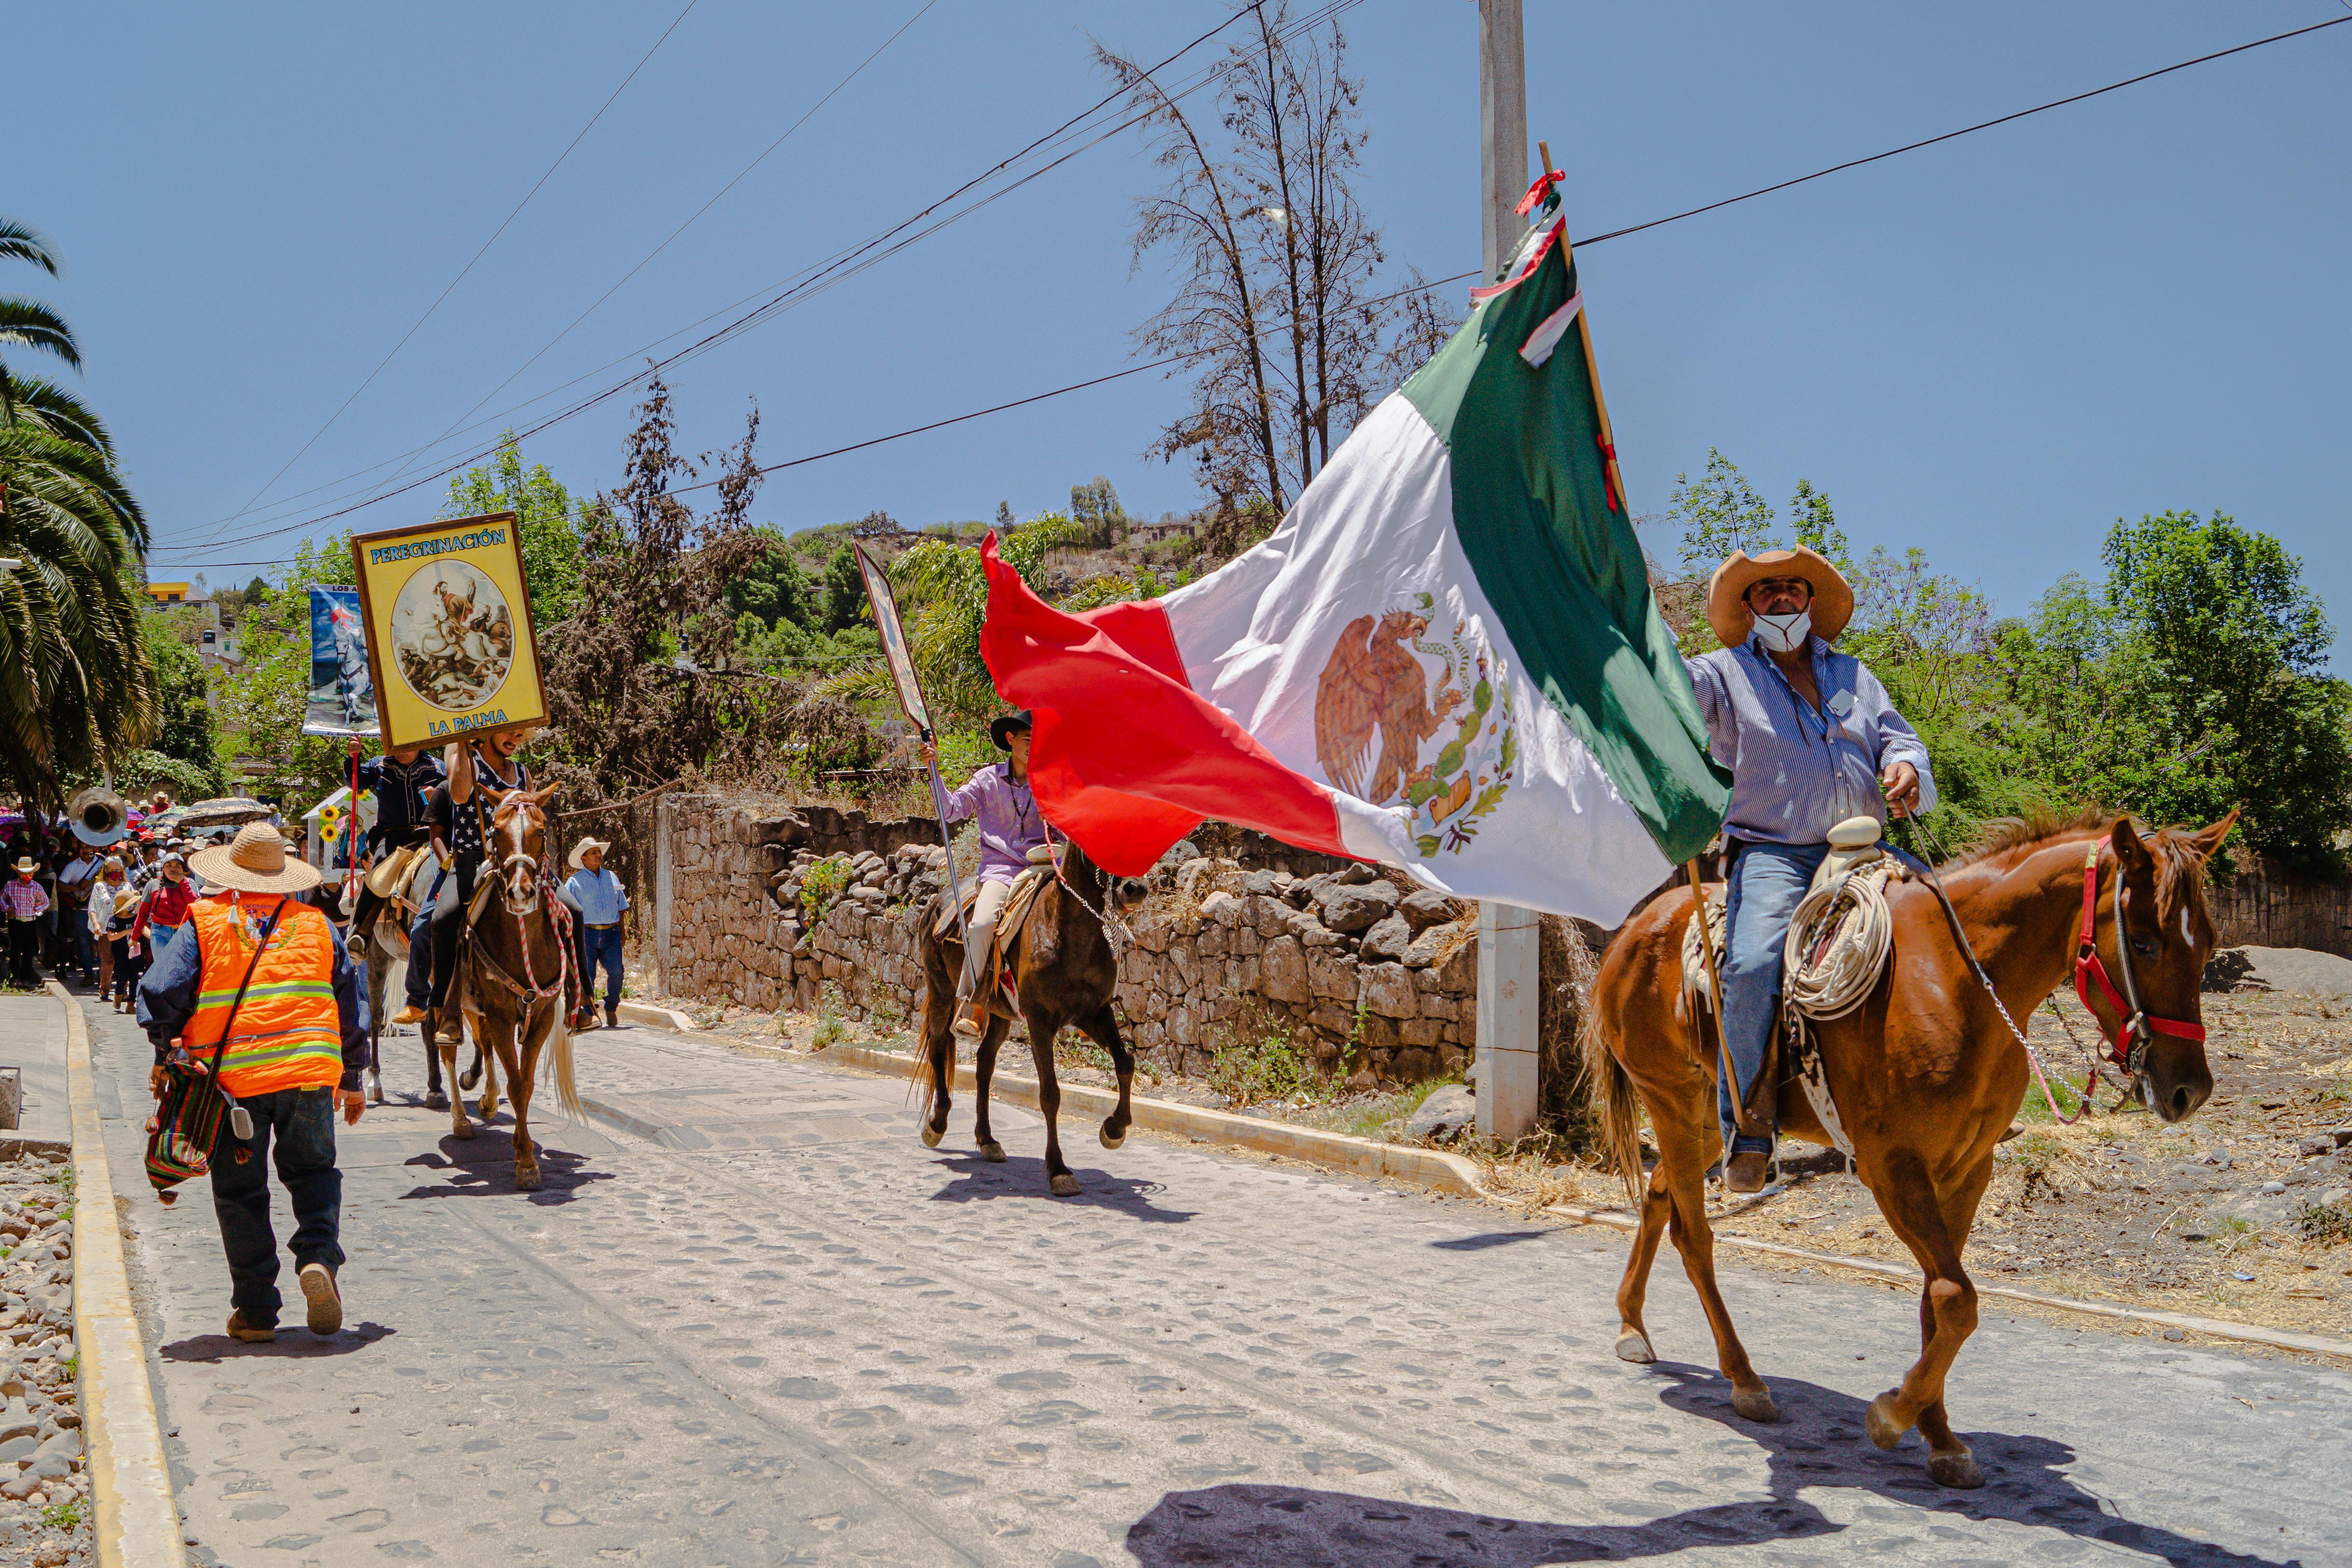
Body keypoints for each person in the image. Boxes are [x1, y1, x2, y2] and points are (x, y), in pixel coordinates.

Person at [1683, 547, 1937, 1194]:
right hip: (1774, 851)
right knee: (1750, 960)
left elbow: (1899, 738)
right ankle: (1746, 1131)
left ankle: (1941, 1086)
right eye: (1764, 592)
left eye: (1791, 589)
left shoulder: (1855, 674)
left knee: (1951, 921)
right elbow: (1673, 691)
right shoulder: (1722, 673)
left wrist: (1908, 767)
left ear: (1810, 600)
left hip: (1866, 848)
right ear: (1748, 608)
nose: (1780, 600)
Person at [137, 823, 368, 1343]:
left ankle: (257, 1311)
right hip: (310, 1073)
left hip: (234, 1084)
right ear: (285, 879)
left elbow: (160, 990)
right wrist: (352, 1078)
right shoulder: (317, 925)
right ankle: (318, 1256)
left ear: (232, 877)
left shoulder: (205, 920)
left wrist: (164, 1047)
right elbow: (351, 1006)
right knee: (313, 1172)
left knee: (241, 1192)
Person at [920, 710, 1050, 1037]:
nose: (1033, 748)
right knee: (981, 924)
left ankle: (1091, 1006)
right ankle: (977, 1005)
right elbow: (950, 811)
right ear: (1010, 740)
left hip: (1044, 869)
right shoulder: (986, 780)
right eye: (1027, 741)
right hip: (1001, 871)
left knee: (1097, 915)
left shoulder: (1050, 781)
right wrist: (932, 768)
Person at [422, 729, 533, 1046]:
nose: (518, 736)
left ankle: (580, 1000)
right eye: (510, 730)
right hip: (471, 859)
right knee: (443, 922)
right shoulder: (464, 760)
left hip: (515, 861)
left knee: (572, 910)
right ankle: (449, 1013)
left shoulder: (524, 772)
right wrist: (462, 736)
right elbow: (458, 796)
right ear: (486, 732)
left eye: (521, 731)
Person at [345, 736, 445, 950]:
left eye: (407, 743)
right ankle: (359, 934)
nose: (400, 750)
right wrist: (354, 756)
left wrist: (438, 794)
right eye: (395, 743)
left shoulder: (438, 768)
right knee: (379, 873)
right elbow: (355, 781)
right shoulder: (379, 765)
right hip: (393, 837)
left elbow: (457, 796)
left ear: (419, 742)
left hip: (432, 833)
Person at [561, 838, 627, 1029]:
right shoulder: (574, 882)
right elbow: (567, 909)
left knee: (617, 972)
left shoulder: (611, 877)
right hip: (586, 935)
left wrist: (622, 929)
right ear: (583, 859)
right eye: (593, 853)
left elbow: (621, 905)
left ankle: (611, 1006)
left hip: (611, 934)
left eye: (599, 852)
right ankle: (589, 1014)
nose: (599, 856)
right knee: (587, 975)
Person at [87, 857, 137, 1012]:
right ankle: (105, 988)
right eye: (112, 870)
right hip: (105, 929)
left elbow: (134, 905)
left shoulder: (127, 886)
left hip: (125, 927)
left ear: (122, 870)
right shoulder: (100, 886)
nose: (115, 873)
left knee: (126, 961)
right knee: (107, 961)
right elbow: (93, 907)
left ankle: (123, 991)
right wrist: (95, 924)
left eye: (118, 870)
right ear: (106, 871)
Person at [131, 852, 197, 961]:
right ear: (163, 869)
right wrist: (135, 936)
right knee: (163, 969)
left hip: (184, 933)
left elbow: (195, 905)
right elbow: (143, 914)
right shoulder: (152, 885)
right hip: (160, 934)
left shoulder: (190, 883)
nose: (173, 869)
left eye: (177, 866)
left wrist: (182, 883)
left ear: (182, 869)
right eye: (169, 866)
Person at [54, 842, 100, 986]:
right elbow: (60, 886)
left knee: (102, 946)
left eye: (89, 847)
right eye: (82, 848)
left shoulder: (103, 863)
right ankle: (89, 976)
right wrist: (78, 887)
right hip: (81, 911)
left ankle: (103, 978)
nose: (86, 851)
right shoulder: (72, 866)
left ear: (95, 848)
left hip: (101, 912)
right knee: (83, 945)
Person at [3, 857, 48, 988]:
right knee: (16, 949)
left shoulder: (36, 887)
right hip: (15, 922)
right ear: (20, 874)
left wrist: (36, 910)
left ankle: (27, 977)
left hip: (30, 921)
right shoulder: (10, 885)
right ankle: (14, 977)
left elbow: (46, 903)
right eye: (25, 874)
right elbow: (1, 898)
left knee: (29, 950)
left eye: (30, 874)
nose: (28, 877)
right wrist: (7, 909)